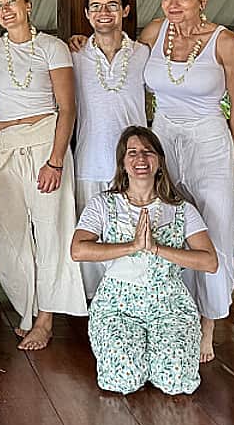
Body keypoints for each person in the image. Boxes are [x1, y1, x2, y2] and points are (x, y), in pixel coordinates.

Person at [139, 0, 234, 363]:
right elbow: (117, 59)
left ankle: (208, 326)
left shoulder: (225, 41)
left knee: (214, 230)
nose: (173, 4)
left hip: (209, 141)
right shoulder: (153, 32)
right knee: (169, 226)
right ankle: (174, 317)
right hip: (164, 136)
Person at [71, 126, 218, 395]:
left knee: (176, 382)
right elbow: (78, 250)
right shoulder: (104, 204)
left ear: (159, 161)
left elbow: (209, 261)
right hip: (118, 304)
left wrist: (156, 248)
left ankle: (156, 359)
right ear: (123, 163)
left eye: (148, 152)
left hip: (170, 303)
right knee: (122, 380)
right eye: (132, 153)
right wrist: (132, 246)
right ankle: (140, 358)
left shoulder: (180, 208)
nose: (141, 159)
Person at [0, 0, 87, 351]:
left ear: (27, 6)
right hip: (5, 146)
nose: (6, 10)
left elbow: (67, 107)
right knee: (6, 237)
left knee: (51, 232)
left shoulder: (52, 47)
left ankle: (45, 319)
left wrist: (55, 160)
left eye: (12, 2)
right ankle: (27, 309)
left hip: (46, 143)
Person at [69, 0, 149, 300]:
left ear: (125, 11)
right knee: (92, 241)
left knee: (134, 237)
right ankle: (96, 311)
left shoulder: (144, 54)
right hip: (89, 162)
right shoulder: (73, 54)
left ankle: (130, 302)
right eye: (97, 7)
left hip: (135, 168)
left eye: (112, 5)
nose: (104, 12)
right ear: (88, 15)